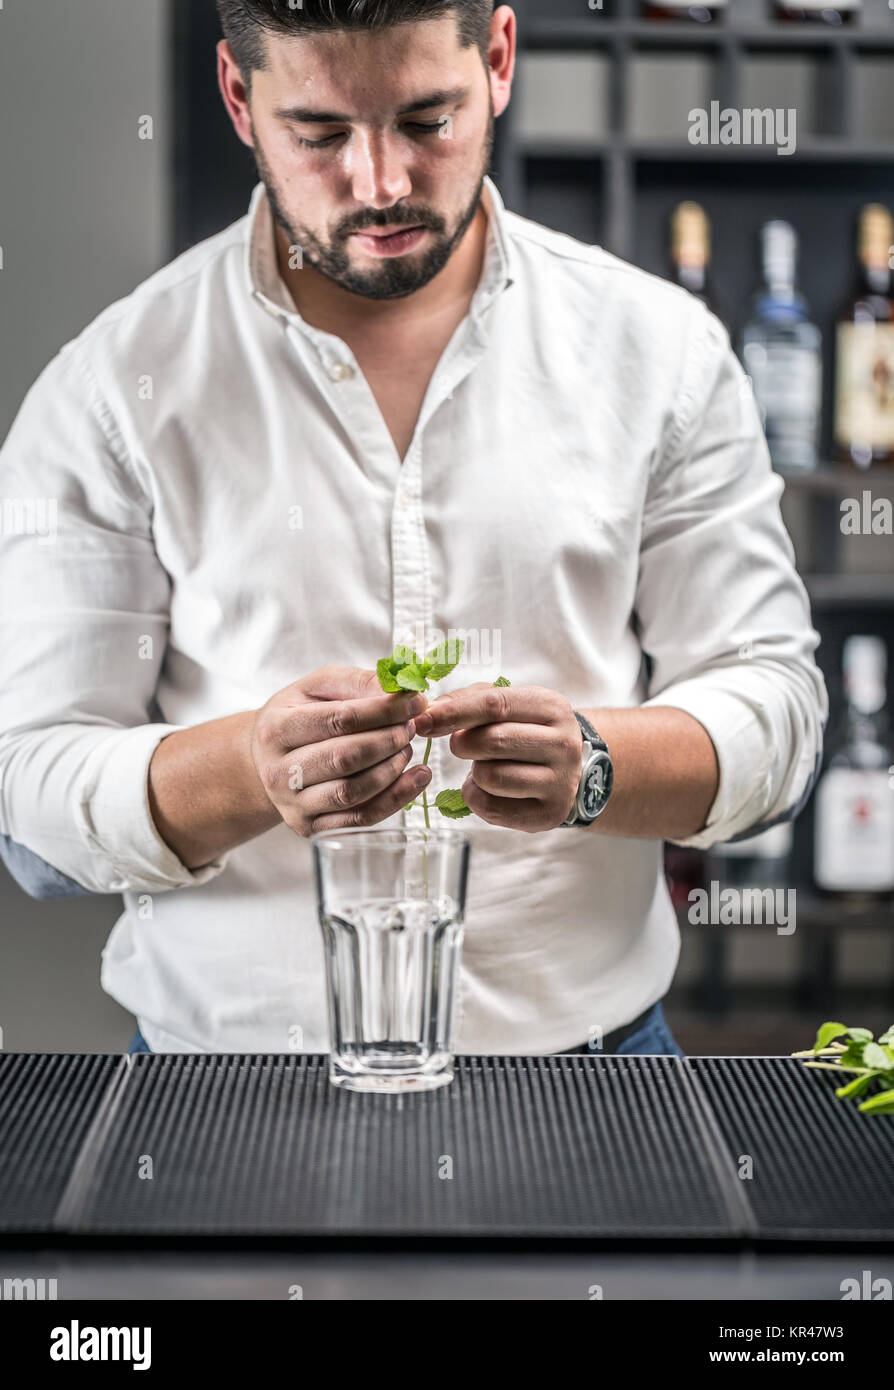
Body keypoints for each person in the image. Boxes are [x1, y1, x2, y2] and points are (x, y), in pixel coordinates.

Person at [0, 1, 826, 1059]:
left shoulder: (658, 352)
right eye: (323, 134)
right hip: (221, 1093)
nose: (381, 183)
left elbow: (780, 709)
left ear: (498, 60)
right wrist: (249, 770)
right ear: (237, 98)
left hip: (594, 1077)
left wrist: (600, 764)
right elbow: (30, 807)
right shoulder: (115, 386)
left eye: (426, 121)